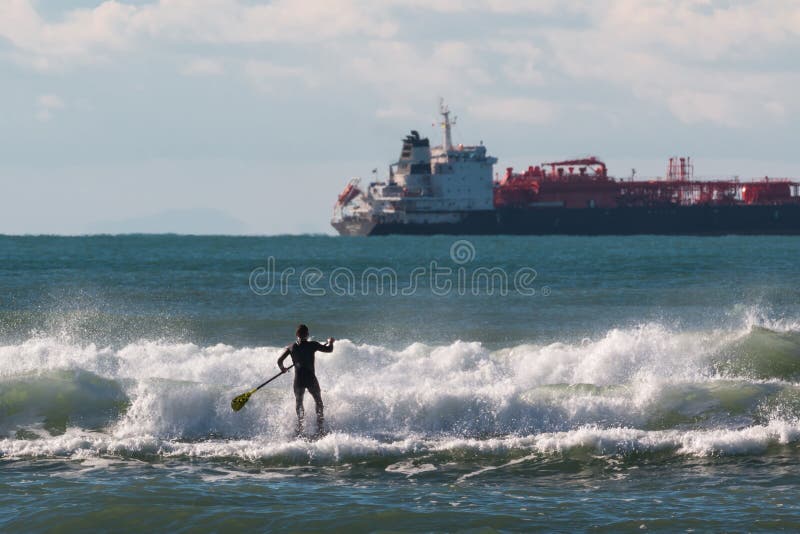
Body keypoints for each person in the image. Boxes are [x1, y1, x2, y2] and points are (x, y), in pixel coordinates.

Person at [277, 324, 334, 437]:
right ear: (307, 335)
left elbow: (279, 361)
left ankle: (300, 428)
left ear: (296, 334)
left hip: (299, 380)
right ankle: (320, 428)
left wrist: (282, 369)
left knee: (299, 402)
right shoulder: (312, 345)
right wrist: (330, 341)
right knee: (318, 402)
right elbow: (329, 349)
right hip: (310, 379)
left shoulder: (291, 347)